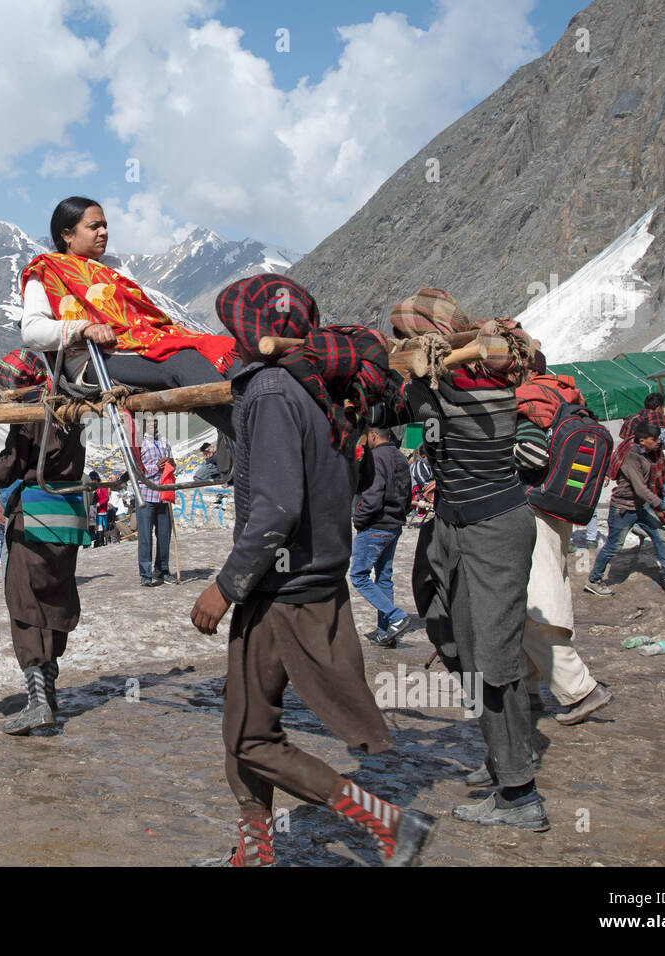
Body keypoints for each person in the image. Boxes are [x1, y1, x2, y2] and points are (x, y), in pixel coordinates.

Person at [190, 275, 434, 867]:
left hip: (282, 590)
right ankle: (255, 849)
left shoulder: (272, 391)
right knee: (244, 720)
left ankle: (384, 822)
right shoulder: (317, 388)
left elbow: (276, 508)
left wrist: (225, 586)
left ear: (252, 331)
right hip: (313, 579)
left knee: (250, 736)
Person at [376, 288, 546, 831]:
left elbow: (401, 405)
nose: (403, 346)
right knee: (445, 622)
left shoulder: (469, 375)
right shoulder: (464, 373)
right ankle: (503, 750)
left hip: (494, 528)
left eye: (407, 337)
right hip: (451, 525)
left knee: (493, 659)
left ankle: (520, 794)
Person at [19, 197, 240, 441]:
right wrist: (84, 328)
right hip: (95, 358)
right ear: (67, 235)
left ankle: (263, 431)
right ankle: (258, 440)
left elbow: (138, 315)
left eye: (105, 226)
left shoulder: (113, 269)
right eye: (94, 227)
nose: (104, 232)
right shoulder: (45, 272)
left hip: (142, 343)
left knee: (227, 352)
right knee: (183, 361)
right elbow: (32, 331)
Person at [0, 349, 87, 735]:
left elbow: (5, 472)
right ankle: (48, 695)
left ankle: (37, 701)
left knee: (25, 602)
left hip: (35, 515)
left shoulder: (32, 412)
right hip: (68, 516)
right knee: (54, 596)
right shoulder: (69, 401)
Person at [509, 374, 613, 731]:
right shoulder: (562, 399)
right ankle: (528, 690)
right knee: (531, 598)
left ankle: (580, 691)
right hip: (554, 511)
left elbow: (531, 455)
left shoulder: (528, 403)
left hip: (531, 512)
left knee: (531, 605)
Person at [585, 420, 665, 595]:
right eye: (654, 439)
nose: (658, 442)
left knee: (661, 535)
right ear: (642, 440)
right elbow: (640, 489)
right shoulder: (632, 457)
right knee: (613, 546)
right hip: (623, 509)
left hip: (640, 507)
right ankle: (594, 580)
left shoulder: (649, 453)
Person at [350, 427, 415, 647]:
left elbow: (373, 495)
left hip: (375, 525)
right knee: (384, 577)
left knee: (359, 576)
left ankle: (396, 617)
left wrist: (359, 518)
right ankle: (385, 631)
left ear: (373, 435)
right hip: (393, 525)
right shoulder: (399, 456)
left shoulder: (376, 457)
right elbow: (408, 494)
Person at [137, 415, 173, 586]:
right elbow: (137, 470)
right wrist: (155, 467)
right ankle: (145, 574)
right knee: (145, 537)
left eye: (155, 420)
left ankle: (163, 570)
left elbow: (174, 464)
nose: (153, 423)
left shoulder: (165, 442)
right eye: (150, 421)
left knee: (164, 535)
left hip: (163, 494)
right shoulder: (138, 444)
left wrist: (171, 463)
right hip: (145, 494)